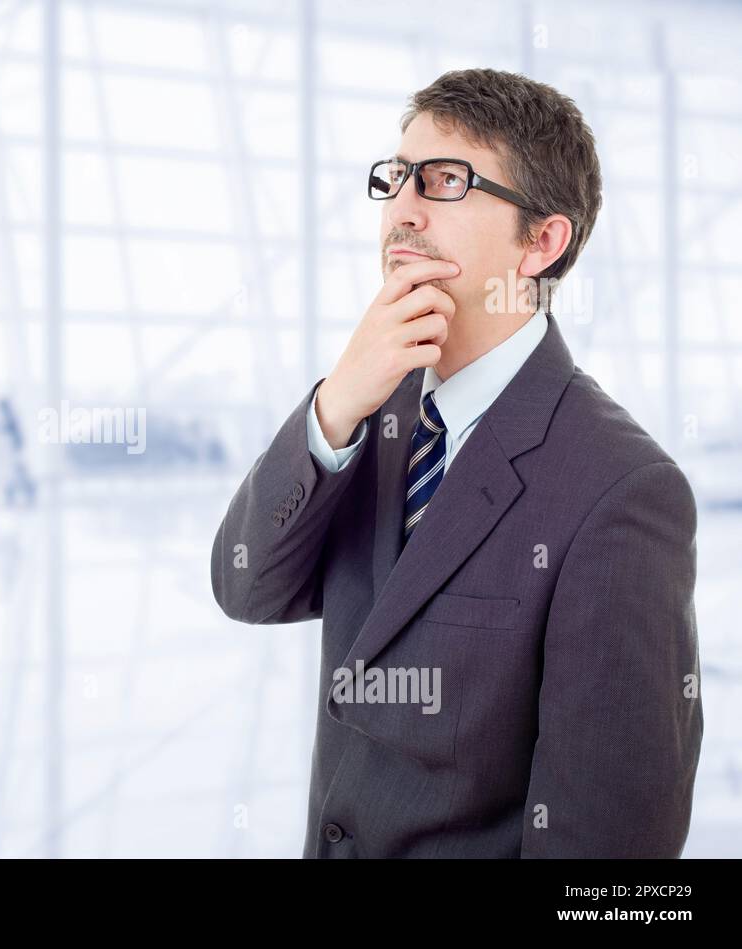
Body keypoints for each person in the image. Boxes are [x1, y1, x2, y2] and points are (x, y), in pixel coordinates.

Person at [211, 69, 703, 858]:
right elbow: (246, 588)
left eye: (445, 181)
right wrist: (335, 406)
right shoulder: (370, 409)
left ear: (542, 242)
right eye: (397, 177)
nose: (401, 208)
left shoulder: (622, 491)